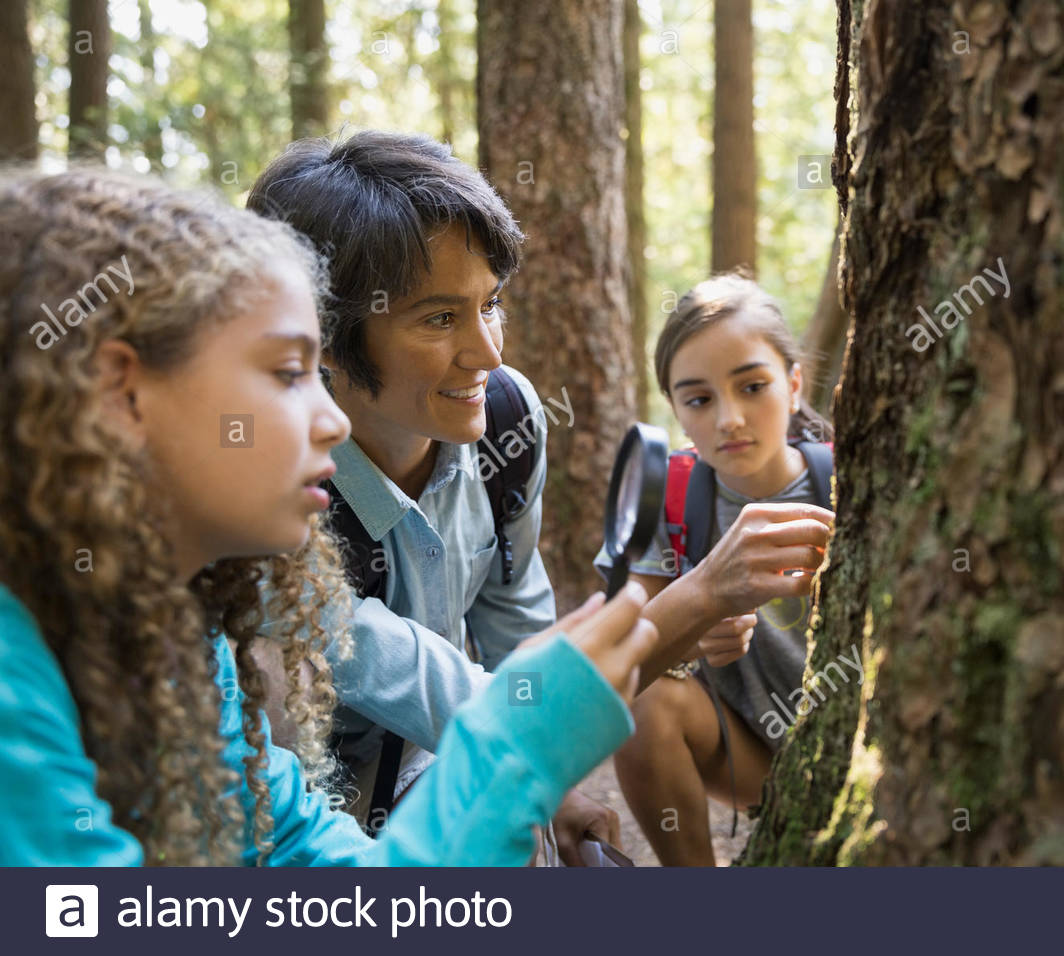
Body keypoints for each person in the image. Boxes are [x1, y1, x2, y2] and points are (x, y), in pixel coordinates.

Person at [0, 168, 655, 866]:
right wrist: (515, 745)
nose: (328, 418)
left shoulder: (183, 643)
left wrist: (523, 764)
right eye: (287, 373)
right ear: (121, 394)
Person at [245, 132, 833, 863]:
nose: (488, 351)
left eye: (490, 304)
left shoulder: (506, 419)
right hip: (287, 823)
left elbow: (515, 623)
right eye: (438, 318)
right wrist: (703, 594)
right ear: (325, 335)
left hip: (424, 777)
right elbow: (444, 689)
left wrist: (553, 795)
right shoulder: (270, 493)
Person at [595, 272, 836, 866]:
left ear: (794, 382)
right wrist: (687, 633)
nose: (729, 418)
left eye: (753, 386)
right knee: (646, 702)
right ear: (677, 411)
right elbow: (617, 653)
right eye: (699, 399)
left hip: (863, 746)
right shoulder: (668, 496)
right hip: (751, 756)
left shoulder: (853, 480)